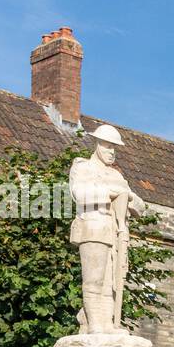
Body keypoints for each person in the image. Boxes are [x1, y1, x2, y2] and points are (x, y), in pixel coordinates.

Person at [67, 124, 147, 335]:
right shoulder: (82, 167)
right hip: (93, 227)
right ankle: (94, 325)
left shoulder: (117, 176)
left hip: (115, 232)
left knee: (111, 283)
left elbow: (140, 206)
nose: (112, 152)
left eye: (115, 148)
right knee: (93, 279)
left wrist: (127, 197)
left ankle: (109, 324)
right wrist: (110, 192)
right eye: (108, 146)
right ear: (97, 144)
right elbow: (79, 194)